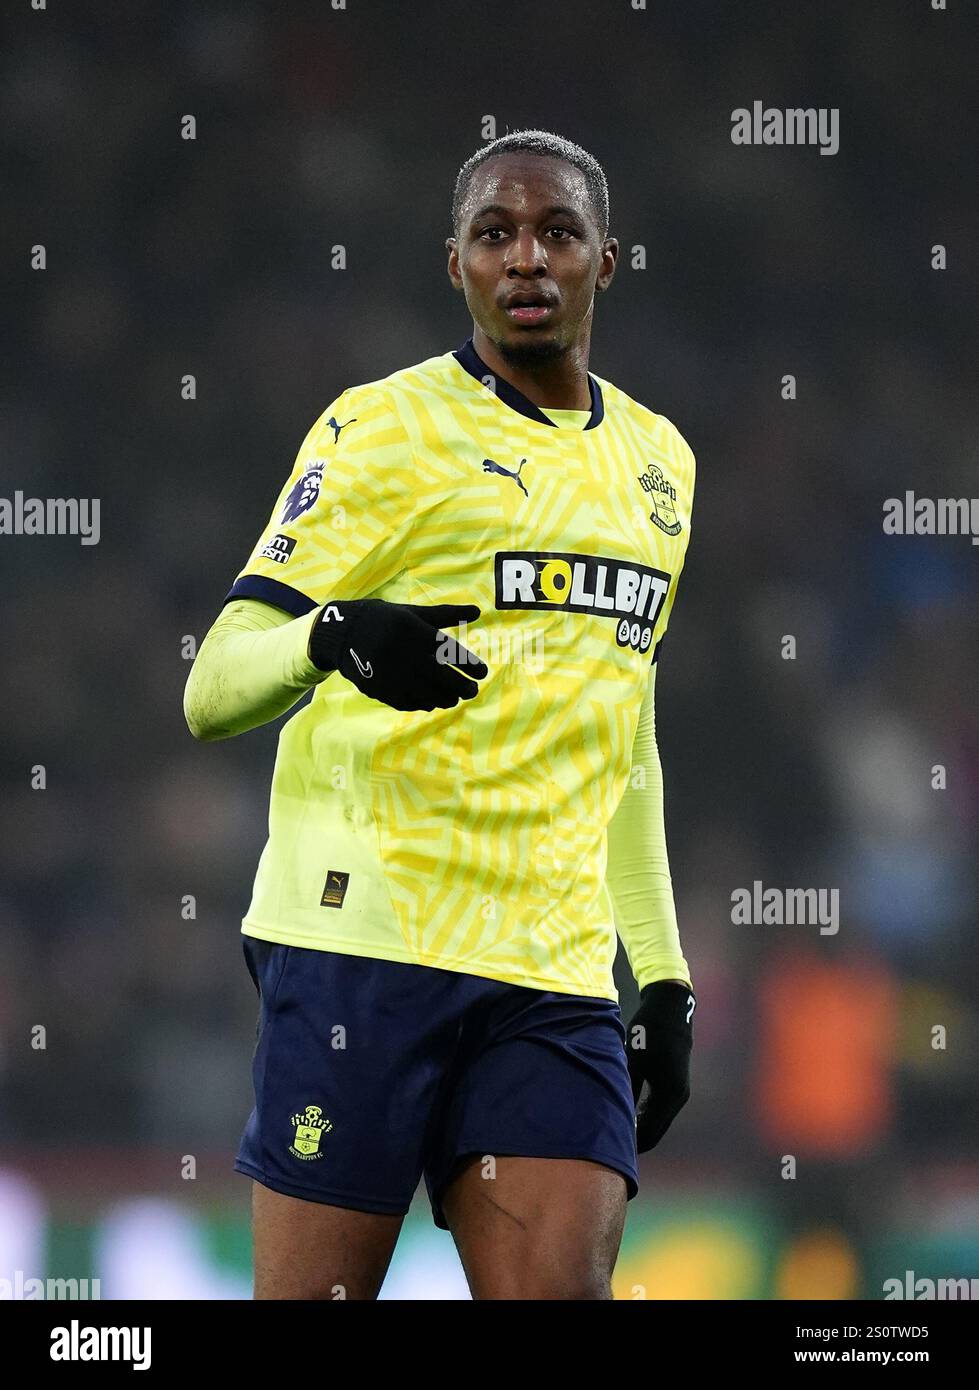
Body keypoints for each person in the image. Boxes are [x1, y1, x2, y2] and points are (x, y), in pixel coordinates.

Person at [183, 129, 697, 1301]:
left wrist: (660, 976)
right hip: (361, 948)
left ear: (605, 261)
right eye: (494, 234)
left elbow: (629, 733)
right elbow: (211, 687)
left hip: (552, 974)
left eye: (556, 232)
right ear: (454, 264)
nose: (526, 258)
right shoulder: (378, 431)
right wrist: (333, 635)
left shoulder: (661, 465)